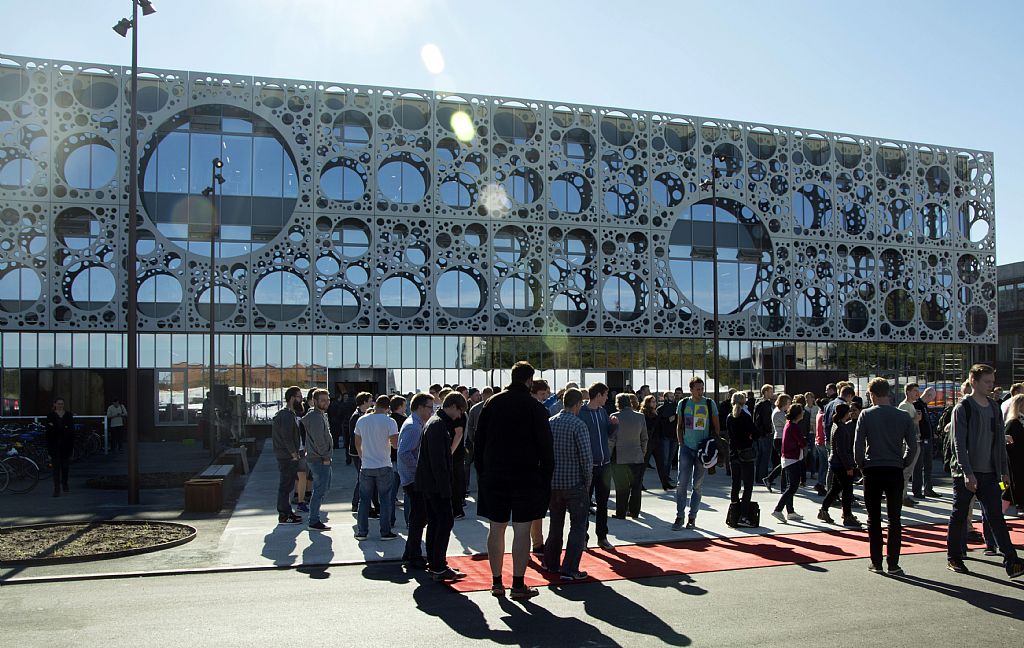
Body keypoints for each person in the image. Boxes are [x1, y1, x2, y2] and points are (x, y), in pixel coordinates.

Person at [474, 361, 554, 600]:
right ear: (529, 380)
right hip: (526, 476)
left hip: (495, 474)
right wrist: (545, 479)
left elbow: (479, 442)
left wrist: (483, 472)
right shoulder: (535, 407)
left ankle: (496, 581)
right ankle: (518, 583)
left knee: (496, 528)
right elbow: (546, 448)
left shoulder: (492, 403)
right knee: (522, 530)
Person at [945, 364, 1024, 578]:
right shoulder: (963, 407)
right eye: (987, 382)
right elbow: (958, 443)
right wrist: (967, 473)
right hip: (966, 473)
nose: (991, 386)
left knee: (995, 516)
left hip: (990, 473)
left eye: (992, 382)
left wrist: (1003, 471)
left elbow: (998, 442)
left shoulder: (993, 407)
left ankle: (1011, 561)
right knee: (959, 514)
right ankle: (954, 557)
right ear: (974, 381)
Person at [855, 377, 918, 575]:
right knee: (894, 518)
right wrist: (904, 462)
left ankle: (876, 561)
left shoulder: (866, 414)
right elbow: (912, 445)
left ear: (872, 394)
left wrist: (861, 465)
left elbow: (858, 445)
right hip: (894, 468)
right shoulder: (903, 416)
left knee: (873, 518)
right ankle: (893, 563)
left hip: (873, 468)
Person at [416, 391, 469, 582]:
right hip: (436, 485)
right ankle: (438, 566)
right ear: (453, 406)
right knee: (444, 522)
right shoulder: (438, 425)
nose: (460, 415)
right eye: (460, 411)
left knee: (435, 523)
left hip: (429, 484)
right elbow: (439, 461)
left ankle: (435, 563)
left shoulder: (435, 422)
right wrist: (446, 489)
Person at [542, 388, 593, 581]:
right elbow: (586, 458)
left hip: (554, 483)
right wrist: (587, 482)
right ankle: (570, 568)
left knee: (555, 524)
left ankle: (550, 563)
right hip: (575, 484)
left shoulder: (550, 422)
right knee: (578, 526)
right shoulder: (579, 425)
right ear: (578, 403)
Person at [673, 376, 719, 531]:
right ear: (691, 390)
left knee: (697, 485)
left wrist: (711, 445)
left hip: (702, 449)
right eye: (698, 389)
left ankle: (692, 517)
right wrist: (681, 443)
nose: (700, 391)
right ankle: (680, 516)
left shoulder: (709, 403)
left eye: (702, 388)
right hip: (686, 447)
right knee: (681, 484)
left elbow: (716, 426)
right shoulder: (683, 403)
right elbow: (679, 425)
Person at [354, 395, 399, 541]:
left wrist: (363, 457)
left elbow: (357, 442)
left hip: (367, 465)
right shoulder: (390, 421)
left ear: (375, 404)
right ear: (388, 407)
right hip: (384, 464)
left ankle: (362, 531)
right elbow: (395, 444)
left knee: (364, 500)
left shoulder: (362, 420)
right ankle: (385, 531)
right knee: (385, 500)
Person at [580, 382, 614, 550]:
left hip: (604, 464)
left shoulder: (602, 412)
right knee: (584, 504)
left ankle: (602, 537)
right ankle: (583, 538)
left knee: (603, 503)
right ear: (598, 395)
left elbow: (608, 433)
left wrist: (614, 425)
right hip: (588, 466)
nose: (607, 398)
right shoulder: (581, 412)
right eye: (605, 395)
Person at [817, 403, 862, 528]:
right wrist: (848, 467)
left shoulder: (836, 425)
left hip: (836, 462)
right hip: (841, 463)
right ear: (846, 414)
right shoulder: (841, 428)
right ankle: (847, 515)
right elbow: (841, 450)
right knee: (847, 489)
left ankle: (824, 510)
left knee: (836, 488)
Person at [609, 393, 648, 519]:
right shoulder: (640, 417)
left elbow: (612, 439)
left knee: (621, 486)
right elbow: (644, 437)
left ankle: (621, 512)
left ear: (618, 403)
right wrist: (643, 451)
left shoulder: (614, 416)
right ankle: (634, 511)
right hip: (636, 455)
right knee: (636, 486)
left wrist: (608, 454)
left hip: (619, 456)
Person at [301, 388, 334, 531]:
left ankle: (314, 519)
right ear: (315, 401)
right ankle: (313, 520)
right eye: (322, 400)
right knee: (320, 490)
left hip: (320, 458)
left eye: (328, 400)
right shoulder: (315, 417)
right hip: (319, 458)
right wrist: (325, 456)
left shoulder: (320, 415)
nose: (326, 402)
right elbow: (319, 439)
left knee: (323, 488)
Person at [271, 386, 304, 524]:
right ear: (292, 398)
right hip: (287, 456)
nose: (301, 399)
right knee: (285, 486)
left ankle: (287, 512)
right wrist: (293, 453)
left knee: (288, 486)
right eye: (299, 397)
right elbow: (286, 436)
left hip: (287, 455)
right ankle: (284, 514)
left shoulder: (289, 414)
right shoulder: (286, 415)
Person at [770, 404, 807, 524]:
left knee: (790, 486)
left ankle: (790, 511)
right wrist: (802, 442)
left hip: (788, 458)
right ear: (798, 414)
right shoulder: (794, 427)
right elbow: (802, 443)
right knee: (792, 486)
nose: (803, 413)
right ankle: (778, 509)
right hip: (792, 458)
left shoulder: (789, 424)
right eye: (801, 411)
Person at [726, 392, 757, 527]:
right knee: (748, 485)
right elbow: (755, 433)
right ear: (744, 402)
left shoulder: (730, 417)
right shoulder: (746, 416)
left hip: (734, 453)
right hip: (746, 453)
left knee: (735, 484)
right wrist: (750, 437)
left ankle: (735, 513)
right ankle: (744, 515)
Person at [347, 392, 376, 516]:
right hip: (358, 452)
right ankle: (359, 504)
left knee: (363, 479)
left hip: (364, 451)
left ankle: (358, 503)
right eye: (370, 400)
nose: (372, 403)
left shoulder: (364, 415)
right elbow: (355, 436)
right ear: (364, 402)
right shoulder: (356, 416)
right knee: (363, 479)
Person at [897, 384, 923, 508]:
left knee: (908, 472)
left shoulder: (911, 405)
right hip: (909, 443)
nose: (917, 393)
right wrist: (916, 420)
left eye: (918, 391)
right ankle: (902, 496)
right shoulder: (904, 406)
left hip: (914, 441)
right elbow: (903, 425)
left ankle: (904, 495)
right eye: (915, 391)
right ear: (907, 392)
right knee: (906, 471)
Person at [44, 397, 75, 497]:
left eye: (62, 404)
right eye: (58, 403)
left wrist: (72, 447)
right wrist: (49, 448)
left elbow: (71, 430)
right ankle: (56, 488)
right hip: (54, 445)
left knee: (65, 467)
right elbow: (48, 432)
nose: (60, 405)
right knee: (56, 469)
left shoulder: (68, 415)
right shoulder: (50, 415)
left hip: (66, 445)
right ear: (55, 404)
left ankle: (65, 483)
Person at [761, 393, 792, 492]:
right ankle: (780, 484)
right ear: (784, 403)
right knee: (785, 463)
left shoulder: (779, 411)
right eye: (788, 403)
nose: (789, 405)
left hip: (780, 438)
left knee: (784, 463)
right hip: (780, 439)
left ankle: (771, 479)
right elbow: (788, 424)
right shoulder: (779, 413)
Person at [913, 386, 938, 499]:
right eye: (932, 397)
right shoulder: (917, 405)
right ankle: (917, 490)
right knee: (918, 467)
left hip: (927, 439)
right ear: (928, 395)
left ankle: (928, 488)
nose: (932, 400)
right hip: (921, 440)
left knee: (928, 466)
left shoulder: (923, 406)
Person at [1003, 394, 1024, 517]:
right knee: (1009, 488)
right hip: (1015, 461)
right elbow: (1007, 443)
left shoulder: (1021, 421)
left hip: (1020, 460)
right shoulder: (1013, 423)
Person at [654, 391, 678, 490]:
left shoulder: (677, 407)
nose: (673, 397)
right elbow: (658, 422)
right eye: (670, 396)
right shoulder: (661, 409)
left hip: (674, 436)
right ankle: (664, 477)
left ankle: (666, 476)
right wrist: (668, 420)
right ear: (666, 398)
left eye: (673, 396)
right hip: (665, 437)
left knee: (670, 459)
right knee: (665, 458)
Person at [752, 385, 775, 483]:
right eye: (770, 391)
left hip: (759, 434)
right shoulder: (766, 404)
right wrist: (769, 431)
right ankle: (763, 478)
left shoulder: (758, 402)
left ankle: (758, 477)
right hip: (765, 434)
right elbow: (766, 421)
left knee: (760, 456)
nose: (772, 393)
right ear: (765, 392)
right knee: (765, 457)